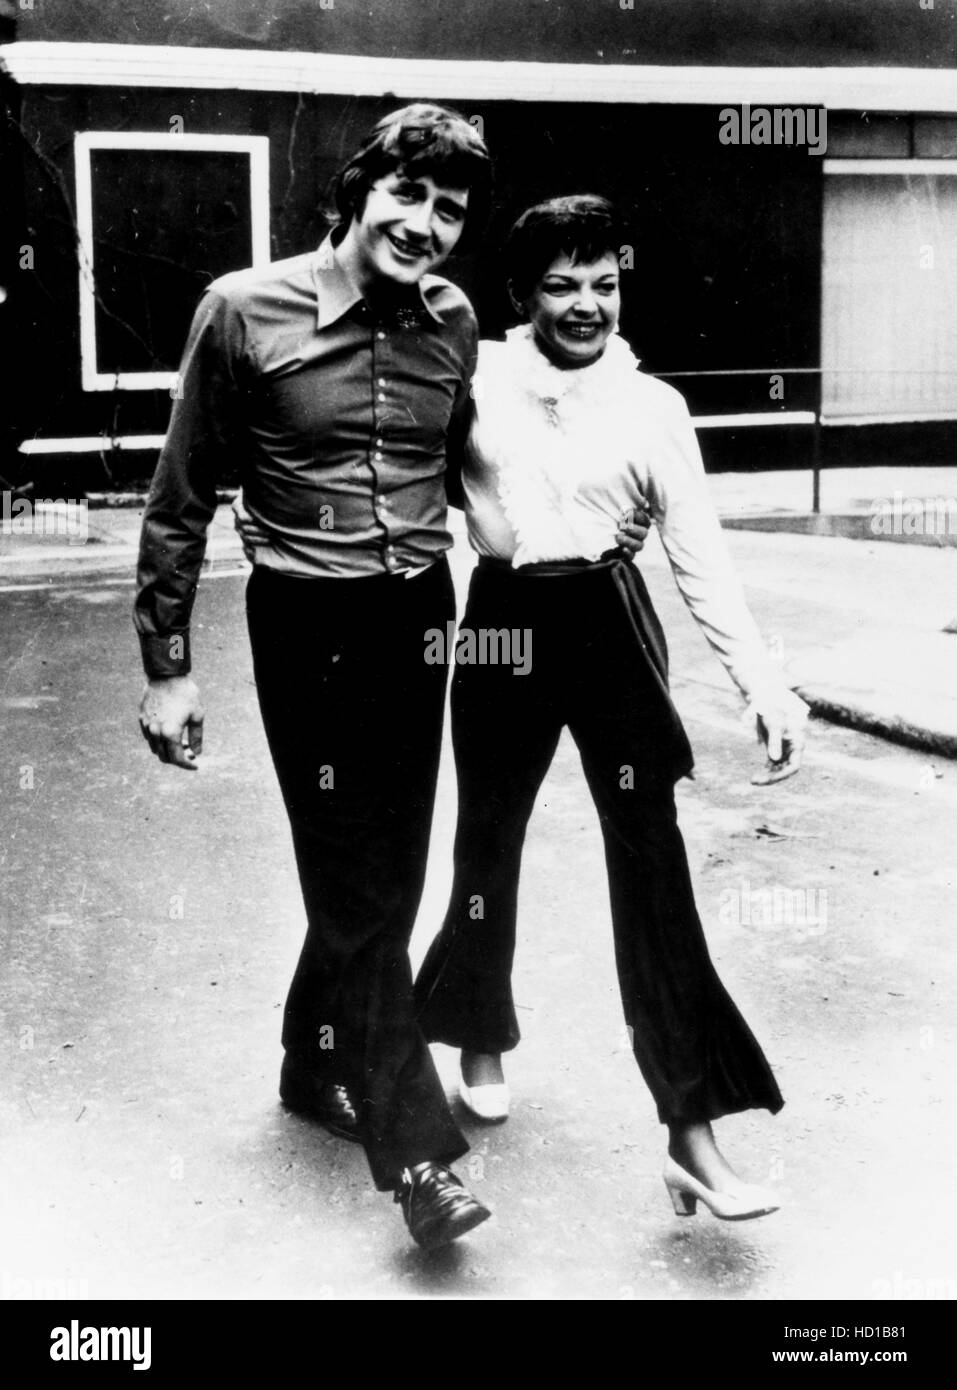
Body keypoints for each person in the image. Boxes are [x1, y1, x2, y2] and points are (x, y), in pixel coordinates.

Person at [134, 104, 505, 1250]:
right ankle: (418, 1159)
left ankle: (313, 1058)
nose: (428, 226)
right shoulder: (244, 310)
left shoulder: (453, 321)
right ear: (358, 192)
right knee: (353, 885)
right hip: (308, 623)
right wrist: (169, 670)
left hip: (417, 618)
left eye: (449, 210)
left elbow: (460, 464)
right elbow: (182, 495)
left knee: (385, 876)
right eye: (409, 196)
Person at [413, 194, 809, 1221]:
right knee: (487, 838)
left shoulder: (654, 407)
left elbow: (702, 561)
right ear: (520, 295)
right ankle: (478, 1024)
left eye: (604, 283)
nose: (586, 305)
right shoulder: (476, 375)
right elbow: (420, 478)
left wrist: (764, 687)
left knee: (653, 865)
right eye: (561, 285)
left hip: (609, 623)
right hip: (503, 624)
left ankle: (692, 1130)